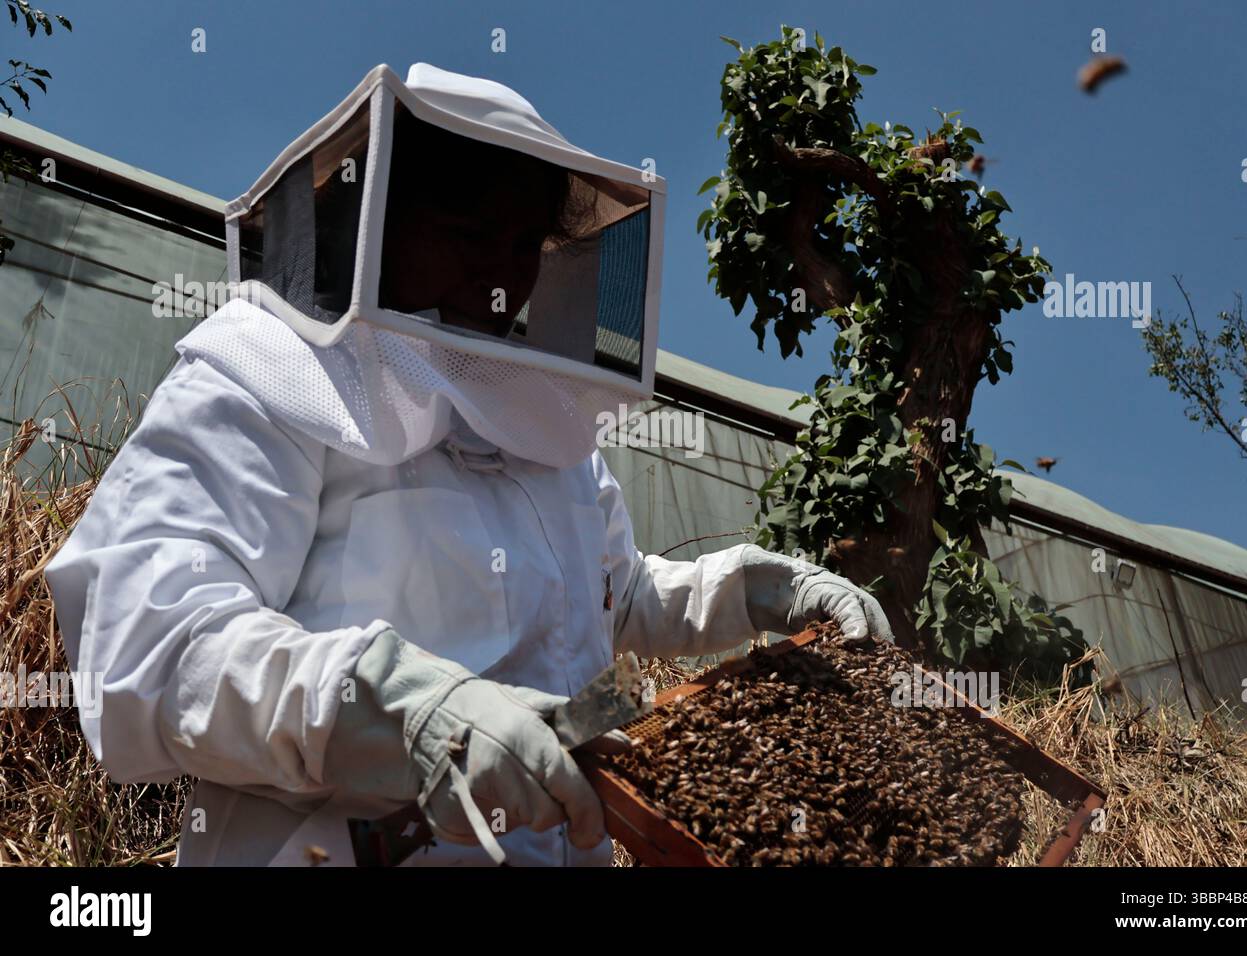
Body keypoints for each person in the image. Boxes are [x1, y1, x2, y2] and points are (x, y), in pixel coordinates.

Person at [43, 62, 894, 867]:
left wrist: (751, 588)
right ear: (373, 220)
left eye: (523, 241)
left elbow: (612, 596)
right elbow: (149, 644)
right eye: (464, 231)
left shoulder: (543, 416)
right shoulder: (264, 369)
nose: (500, 272)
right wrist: (401, 709)